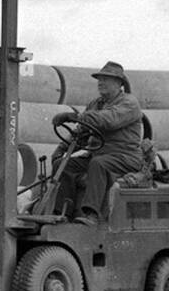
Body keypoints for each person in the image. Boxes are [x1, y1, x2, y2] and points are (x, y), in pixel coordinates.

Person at [50, 61, 144, 225]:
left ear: (119, 83)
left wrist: (75, 116)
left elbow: (109, 120)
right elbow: (81, 132)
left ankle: (92, 214)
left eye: (106, 79)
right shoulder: (95, 104)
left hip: (125, 157)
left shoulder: (129, 103)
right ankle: (62, 211)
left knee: (98, 164)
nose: (101, 83)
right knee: (62, 165)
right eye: (100, 79)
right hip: (98, 154)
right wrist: (62, 149)